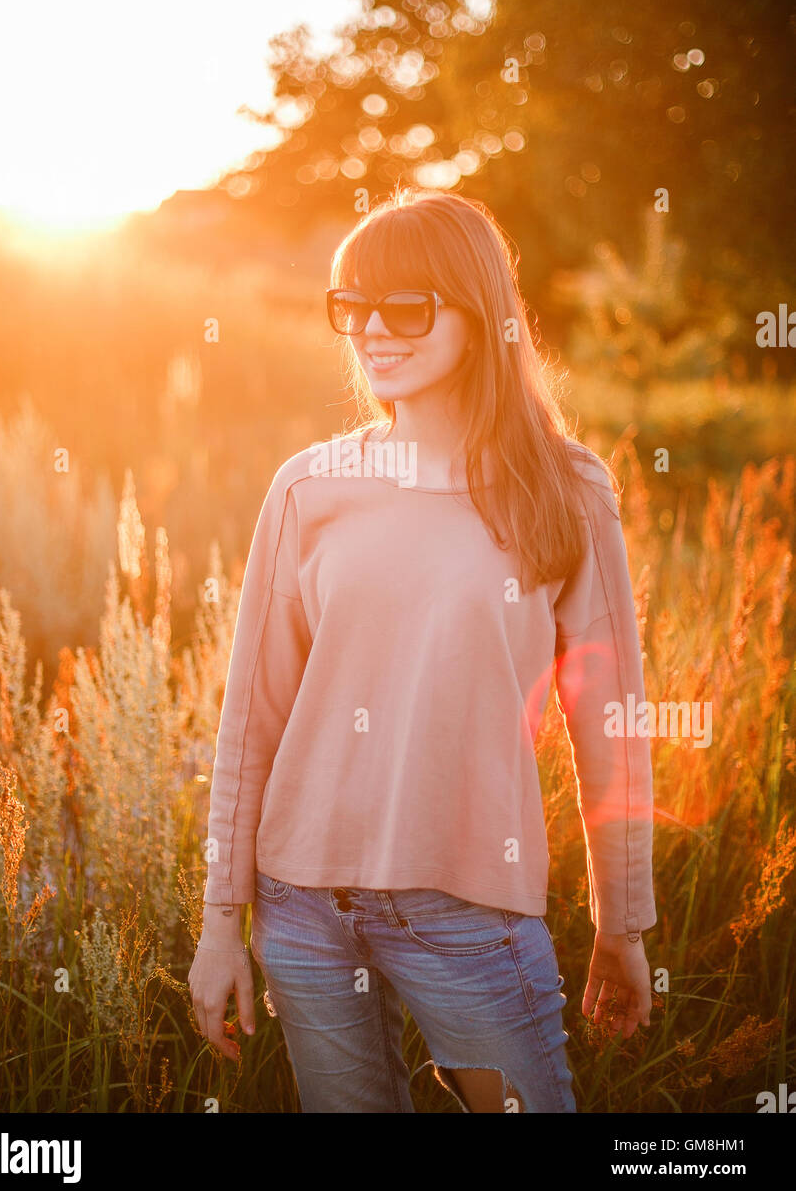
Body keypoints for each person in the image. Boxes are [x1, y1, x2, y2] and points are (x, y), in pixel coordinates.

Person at [188, 187, 656, 1113]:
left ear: (480, 313)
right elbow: (252, 719)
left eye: (405, 306)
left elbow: (610, 724)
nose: (372, 331)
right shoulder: (308, 489)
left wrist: (622, 921)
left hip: (470, 910)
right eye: (350, 306)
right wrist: (217, 921)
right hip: (302, 907)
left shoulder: (567, 489)